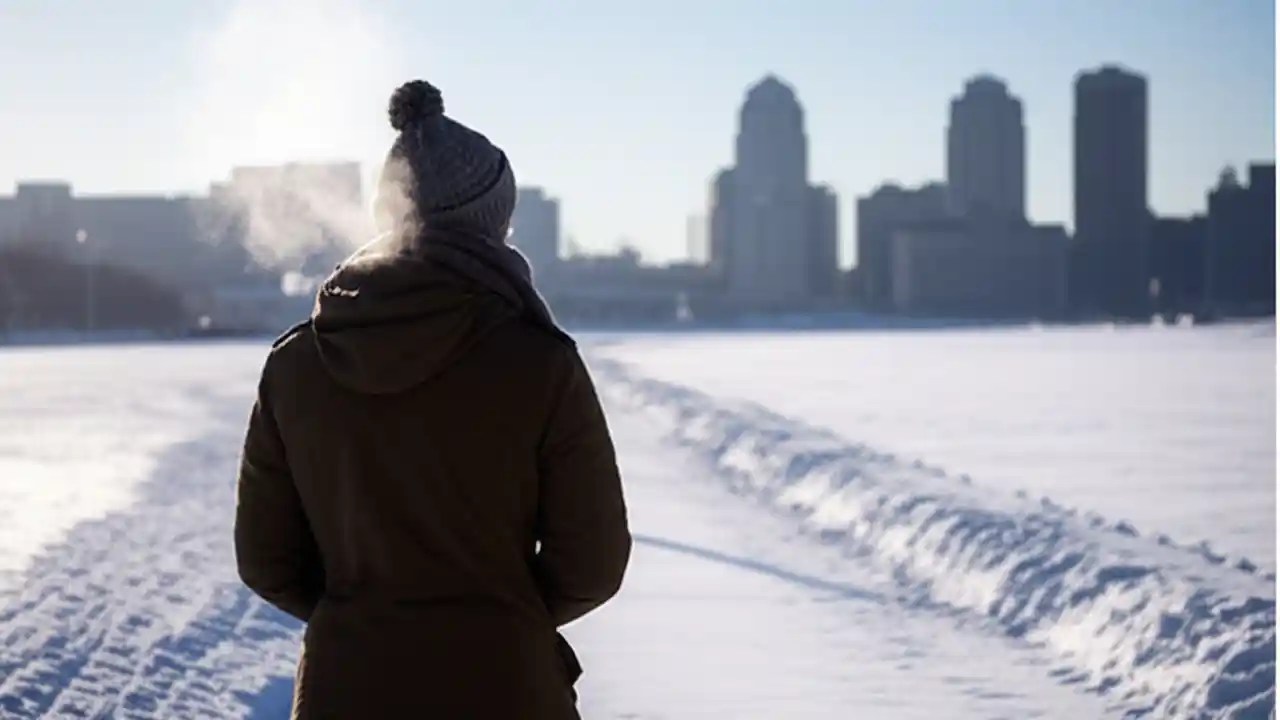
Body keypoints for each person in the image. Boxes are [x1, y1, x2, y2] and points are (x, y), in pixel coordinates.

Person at [234, 79, 631, 719]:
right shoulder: (538, 362)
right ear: (490, 221)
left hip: (349, 689)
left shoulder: (298, 365)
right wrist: (505, 619)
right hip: (506, 687)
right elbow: (592, 563)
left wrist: (363, 621)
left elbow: (265, 560)